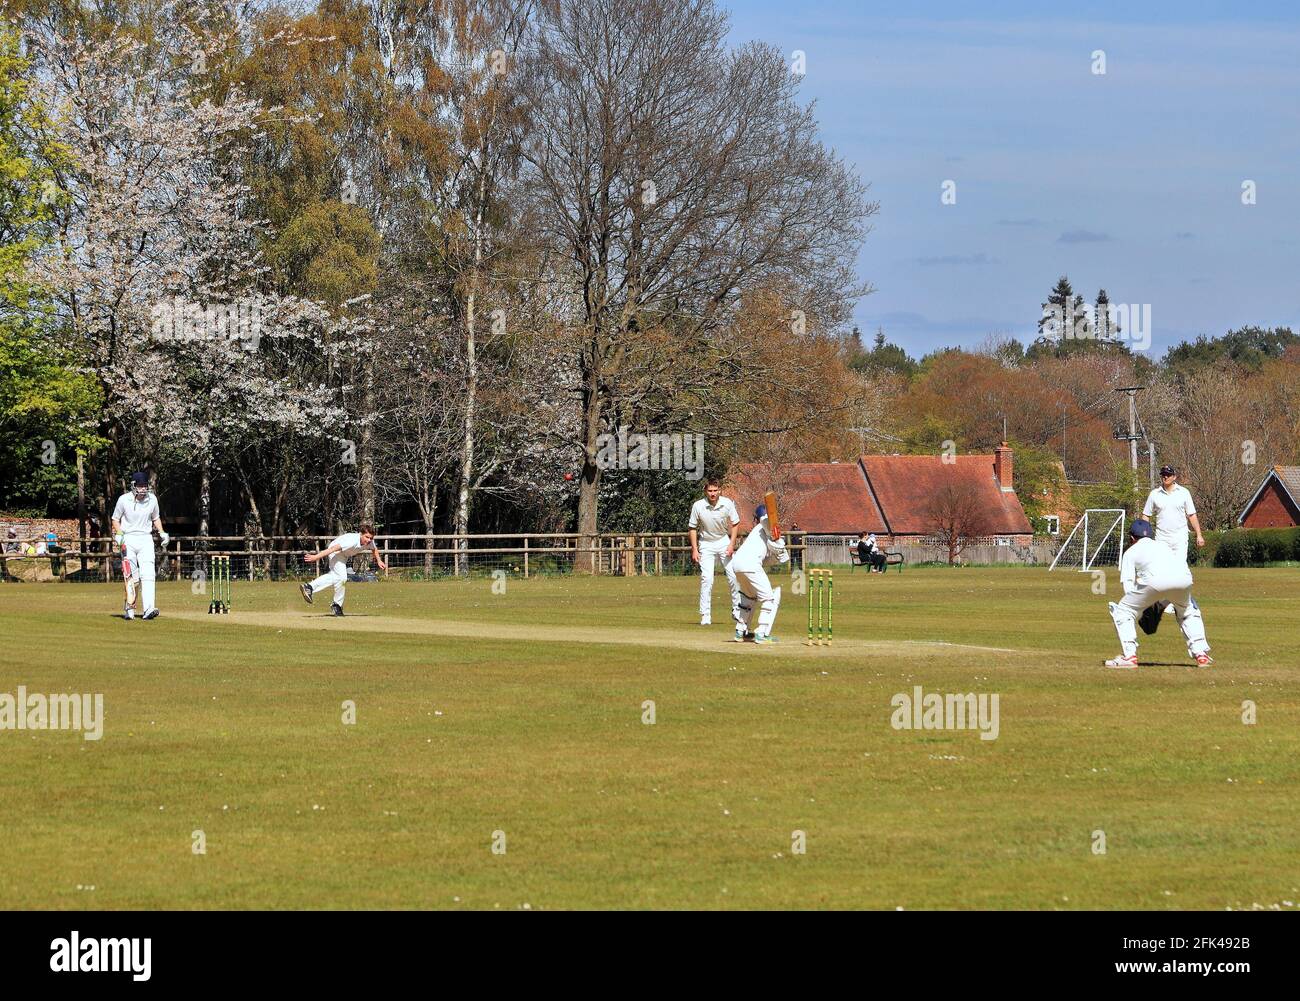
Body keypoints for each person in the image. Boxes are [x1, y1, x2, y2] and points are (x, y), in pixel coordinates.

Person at [1105, 519, 1212, 669]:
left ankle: (1129, 656)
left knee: (1123, 610)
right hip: (1184, 579)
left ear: (1131, 538)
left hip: (1155, 583)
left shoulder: (1130, 552)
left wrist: (1141, 610)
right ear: (1151, 535)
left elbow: (1128, 586)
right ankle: (1201, 654)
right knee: (1188, 610)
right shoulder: (1163, 546)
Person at [111, 471, 169, 620]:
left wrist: (162, 532)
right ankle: (129, 608)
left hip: (145, 539)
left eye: (145, 486)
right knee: (132, 576)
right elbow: (115, 519)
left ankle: (149, 608)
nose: (143, 489)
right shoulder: (124, 500)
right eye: (140, 486)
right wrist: (119, 534)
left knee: (148, 574)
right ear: (134, 486)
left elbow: (155, 518)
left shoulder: (152, 500)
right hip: (128, 539)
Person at [730, 503, 789, 644]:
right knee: (768, 598)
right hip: (750, 565)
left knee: (749, 597)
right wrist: (779, 546)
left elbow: (768, 559)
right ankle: (761, 634)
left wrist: (779, 552)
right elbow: (765, 521)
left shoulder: (761, 532)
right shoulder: (765, 527)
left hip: (737, 564)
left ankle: (740, 632)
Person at [300, 524, 388, 617]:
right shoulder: (351, 541)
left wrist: (379, 560)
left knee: (335, 577)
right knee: (342, 578)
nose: (369, 540)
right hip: (335, 553)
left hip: (343, 556)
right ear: (360, 534)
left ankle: (309, 587)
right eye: (367, 537)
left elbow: (374, 549)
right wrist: (316, 557)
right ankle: (336, 605)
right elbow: (332, 549)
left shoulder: (369, 542)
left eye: (371, 538)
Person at [687, 478, 740, 627]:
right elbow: (692, 528)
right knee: (707, 579)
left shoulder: (727, 503)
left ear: (719, 491)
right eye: (710, 491)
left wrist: (731, 544)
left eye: (715, 491)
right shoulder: (698, 506)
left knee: (733, 576)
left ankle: (737, 610)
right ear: (705, 491)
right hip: (706, 543)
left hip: (723, 541)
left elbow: (735, 524)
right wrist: (695, 549)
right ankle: (705, 615)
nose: (712, 494)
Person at [1143, 465, 1205, 565]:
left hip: (1180, 537)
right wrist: (1144, 535)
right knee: (1161, 567)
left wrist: (1199, 535)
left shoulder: (1184, 493)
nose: (1165, 477)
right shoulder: (1154, 494)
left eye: (1168, 475)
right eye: (1163, 475)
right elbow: (1146, 515)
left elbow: (1192, 515)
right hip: (1161, 538)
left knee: (1179, 567)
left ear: (1174, 477)